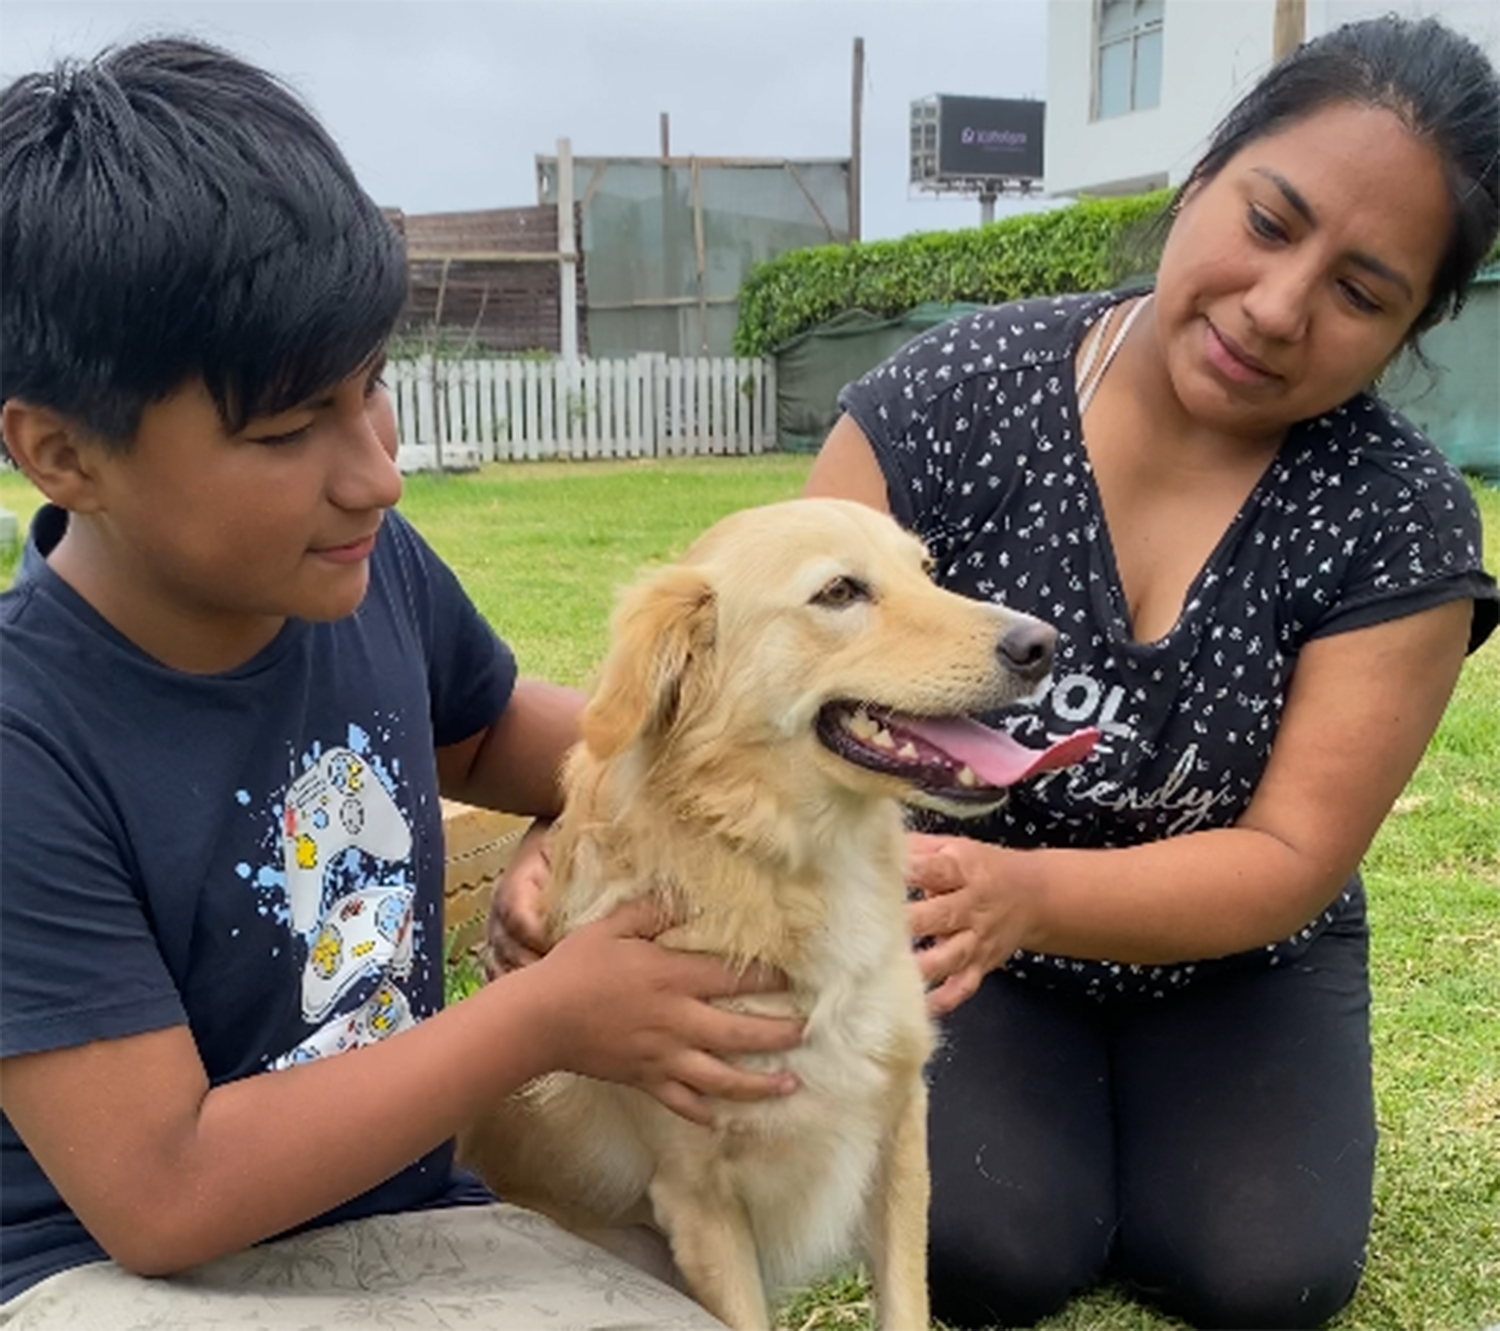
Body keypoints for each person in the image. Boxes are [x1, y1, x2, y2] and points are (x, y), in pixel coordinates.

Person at [489, 14, 1500, 1331]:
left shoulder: (1399, 516)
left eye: (1361, 293)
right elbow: (743, 680)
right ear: (1200, 178)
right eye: (1267, 222)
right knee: (991, 1249)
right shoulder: (952, 396)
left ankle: (1170, 1128)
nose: (1276, 306)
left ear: (1416, 325)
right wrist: (577, 837)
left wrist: (1031, 892)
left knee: (1266, 1272)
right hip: (956, 939)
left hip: (1229, 951)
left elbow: (1292, 856)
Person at [0, 38, 804, 1329]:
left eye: (372, 386)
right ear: (62, 453)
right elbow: (162, 1193)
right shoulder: (25, 743)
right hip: (110, 1276)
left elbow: (506, 739)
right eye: (287, 429)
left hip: (403, 1216)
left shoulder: (362, 573)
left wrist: (595, 817)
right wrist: (543, 1018)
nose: (378, 472)